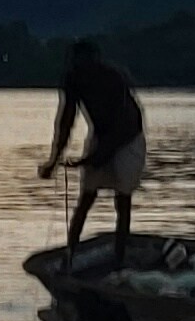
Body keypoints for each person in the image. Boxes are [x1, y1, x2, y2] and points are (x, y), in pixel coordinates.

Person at [40, 40, 147, 247]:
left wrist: (95, 158)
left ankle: (120, 253)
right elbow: (66, 121)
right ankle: (71, 252)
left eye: (84, 61)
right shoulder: (73, 79)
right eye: (76, 62)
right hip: (102, 135)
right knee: (87, 196)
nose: (80, 66)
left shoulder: (113, 78)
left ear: (95, 61)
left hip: (128, 138)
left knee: (122, 198)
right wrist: (53, 161)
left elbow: (122, 124)